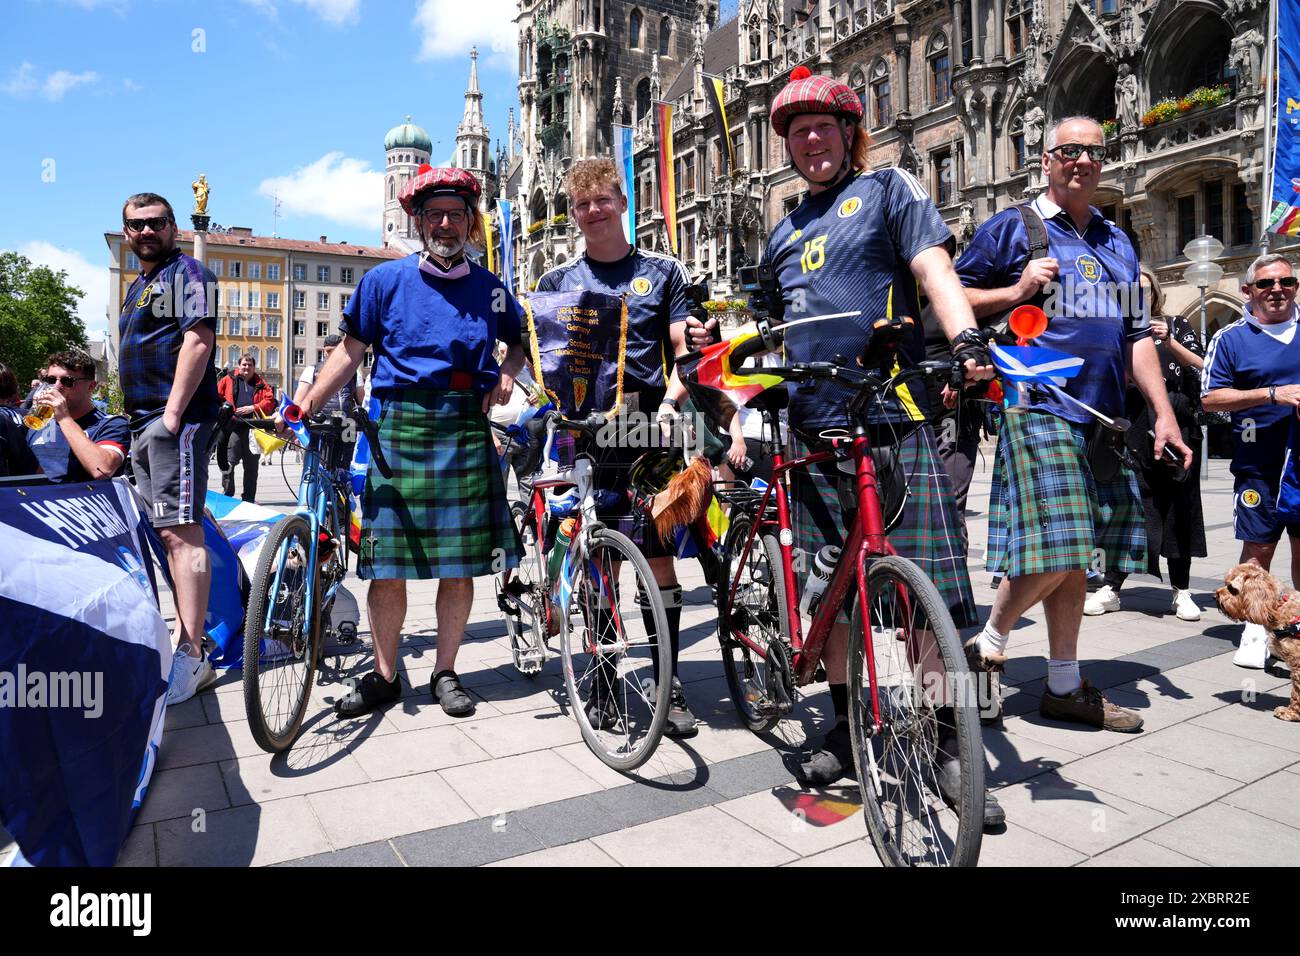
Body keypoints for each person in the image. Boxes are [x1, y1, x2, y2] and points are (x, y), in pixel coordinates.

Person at [688, 67, 1003, 826]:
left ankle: (952, 745)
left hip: (890, 416)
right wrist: (718, 348)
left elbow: (934, 268)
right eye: (796, 133)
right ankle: (840, 717)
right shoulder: (782, 234)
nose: (811, 141)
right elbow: (757, 331)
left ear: (848, 133)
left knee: (932, 602)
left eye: (823, 127)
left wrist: (964, 336)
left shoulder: (890, 190)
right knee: (829, 596)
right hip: (809, 433)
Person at [956, 117, 1192, 733]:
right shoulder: (1012, 228)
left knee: (1080, 554)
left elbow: (1138, 336)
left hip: (1104, 416)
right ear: (1046, 159)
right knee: (1065, 542)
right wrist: (1015, 289)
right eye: (1070, 151)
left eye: (1093, 151)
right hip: (1038, 404)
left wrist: (1163, 415)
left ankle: (1062, 684)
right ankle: (988, 642)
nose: (1082, 161)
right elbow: (946, 299)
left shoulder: (1119, 241)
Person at [294, 165, 525, 718]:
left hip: (465, 423)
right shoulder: (383, 283)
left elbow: (517, 346)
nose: (446, 224)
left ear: (470, 223)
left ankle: (446, 672)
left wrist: (508, 373)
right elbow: (348, 352)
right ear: (418, 222)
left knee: (461, 563)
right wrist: (304, 405)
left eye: (456, 215)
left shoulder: (491, 291)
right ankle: (384, 674)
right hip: (398, 425)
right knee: (385, 565)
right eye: (435, 215)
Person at [534, 157, 699, 736]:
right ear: (573, 213)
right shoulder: (557, 284)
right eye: (582, 205)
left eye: (603, 199)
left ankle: (667, 680)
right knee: (599, 558)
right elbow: (543, 359)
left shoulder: (663, 272)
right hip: (585, 434)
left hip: (650, 427)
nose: (593, 211)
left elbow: (684, 349)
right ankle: (602, 677)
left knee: (657, 558)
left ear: (623, 203)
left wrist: (674, 402)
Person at [118, 191, 221, 704]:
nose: (146, 231)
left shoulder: (187, 274)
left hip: (171, 422)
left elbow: (197, 341)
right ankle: (185, 637)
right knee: (169, 532)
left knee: (181, 535)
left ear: (174, 227)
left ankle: (193, 654)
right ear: (127, 233)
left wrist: (172, 416)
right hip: (145, 423)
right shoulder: (141, 284)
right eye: (136, 225)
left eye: (156, 222)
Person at [1085, 265, 1206, 621]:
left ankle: (1181, 591)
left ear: (1155, 293)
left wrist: (1169, 341)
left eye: (1145, 290)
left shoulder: (1177, 325)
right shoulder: (1115, 332)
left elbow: (1204, 367)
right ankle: (1112, 587)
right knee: (1123, 509)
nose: (1139, 297)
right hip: (1129, 428)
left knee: (1178, 507)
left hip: (1174, 425)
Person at [1201, 253, 1300, 668]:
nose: (1277, 289)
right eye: (1266, 284)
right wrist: (1273, 394)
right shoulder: (1230, 338)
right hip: (1257, 461)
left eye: (1286, 282)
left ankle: (1293, 626)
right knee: (1257, 548)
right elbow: (1209, 398)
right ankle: (1255, 629)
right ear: (1248, 291)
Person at [25, 349, 130, 482]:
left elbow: (102, 470)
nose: (57, 387)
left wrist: (64, 418)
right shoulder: (39, 422)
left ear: (91, 386)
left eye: (67, 381)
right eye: (51, 380)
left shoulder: (112, 424)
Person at [217, 353, 275, 501]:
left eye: (250, 365)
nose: (247, 367)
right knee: (229, 462)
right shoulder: (228, 379)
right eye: (244, 364)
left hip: (253, 430)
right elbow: (216, 395)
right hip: (233, 427)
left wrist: (253, 407)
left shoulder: (261, 383)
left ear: (254, 367)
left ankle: (248, 499)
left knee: (251, 468)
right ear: (239, 366)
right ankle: (228, 495)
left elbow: (270, 401)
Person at [293, 334, 359, 415]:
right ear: (323, 351)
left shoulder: (353, 372)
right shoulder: (311, 370)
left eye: (335, 351)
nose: (331, 354)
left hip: (347, 423)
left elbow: (362, 402)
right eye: (328, 351)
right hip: (319, 423)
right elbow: (297, 401)